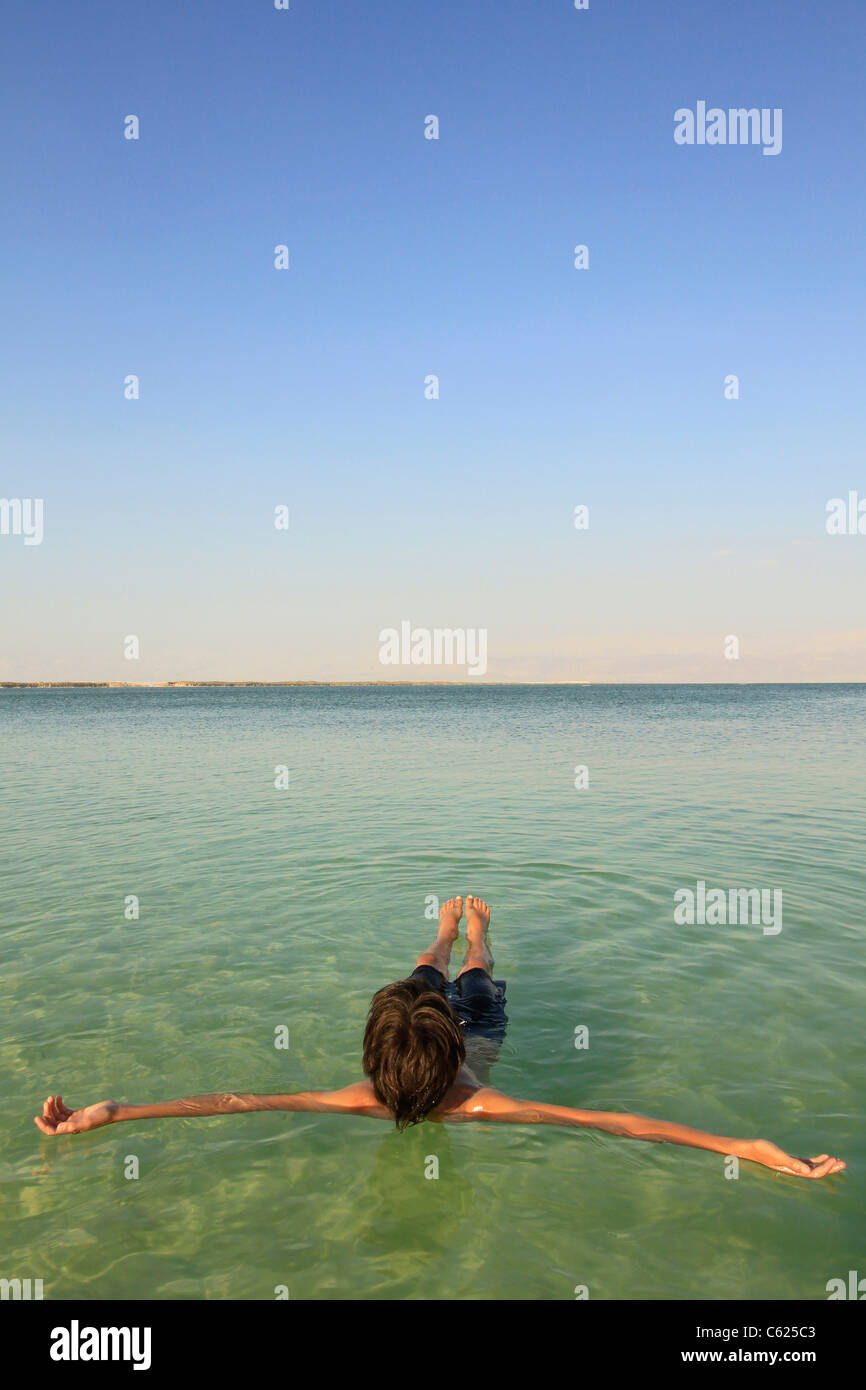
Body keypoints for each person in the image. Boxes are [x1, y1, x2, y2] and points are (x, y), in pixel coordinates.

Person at [34, 895, 846, 1180]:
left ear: (371, 1059)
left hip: (446, 1030)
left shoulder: (362, 1095)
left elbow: (235, 1103)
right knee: (439, 970)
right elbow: (623, 1125)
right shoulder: (479, 1106)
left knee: (467, 974)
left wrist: (118, 1112)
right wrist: (751, 1145)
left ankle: (474, 929)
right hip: (448, 1033)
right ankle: (451, 926)